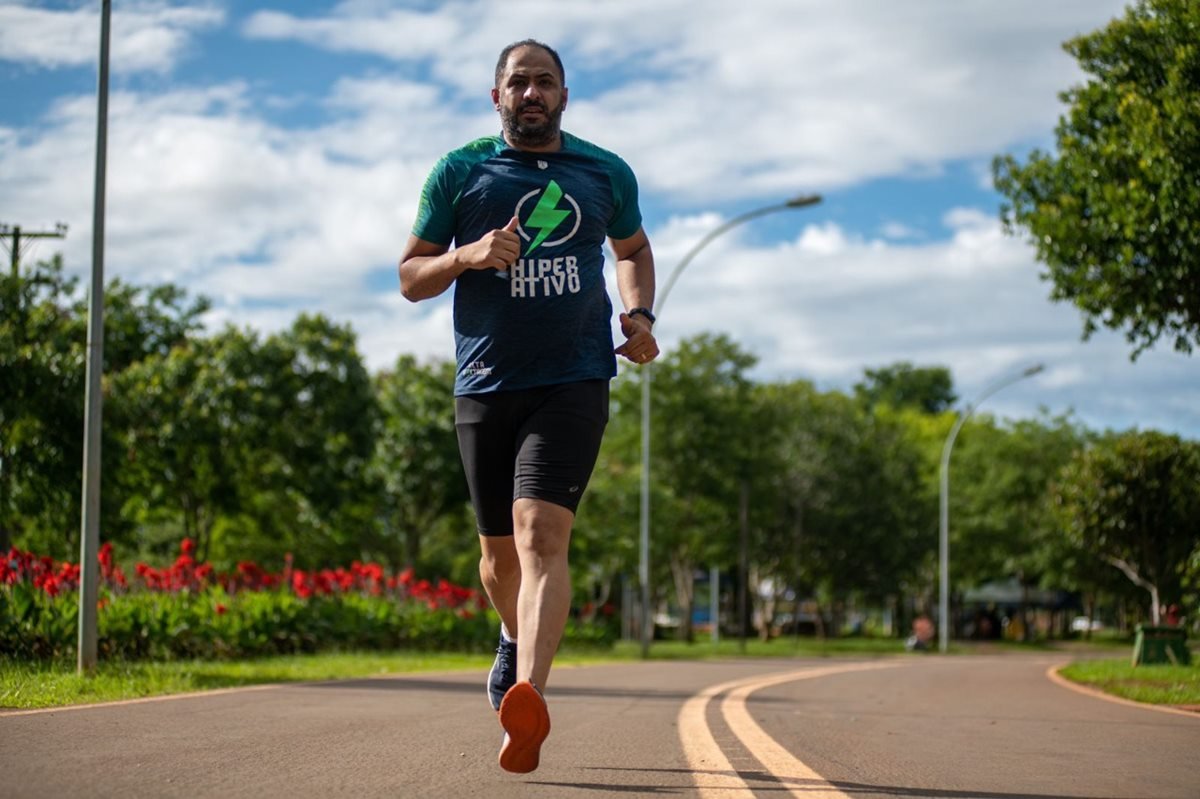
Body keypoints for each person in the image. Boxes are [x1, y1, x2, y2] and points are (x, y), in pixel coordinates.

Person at [398, 39, 658, 774]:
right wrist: (466, 256)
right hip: (485, 380)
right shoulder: (460, 172)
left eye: (545, 81)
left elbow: (632, 249)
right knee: (496, 557)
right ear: (497, 97)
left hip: (575, 375)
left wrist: (638, 319)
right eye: (519, 82)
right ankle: (514, 642)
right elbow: (410, 275)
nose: (532, 93)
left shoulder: (604, 172)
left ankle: (528, 698)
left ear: (565, 96)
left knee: (541, 531)